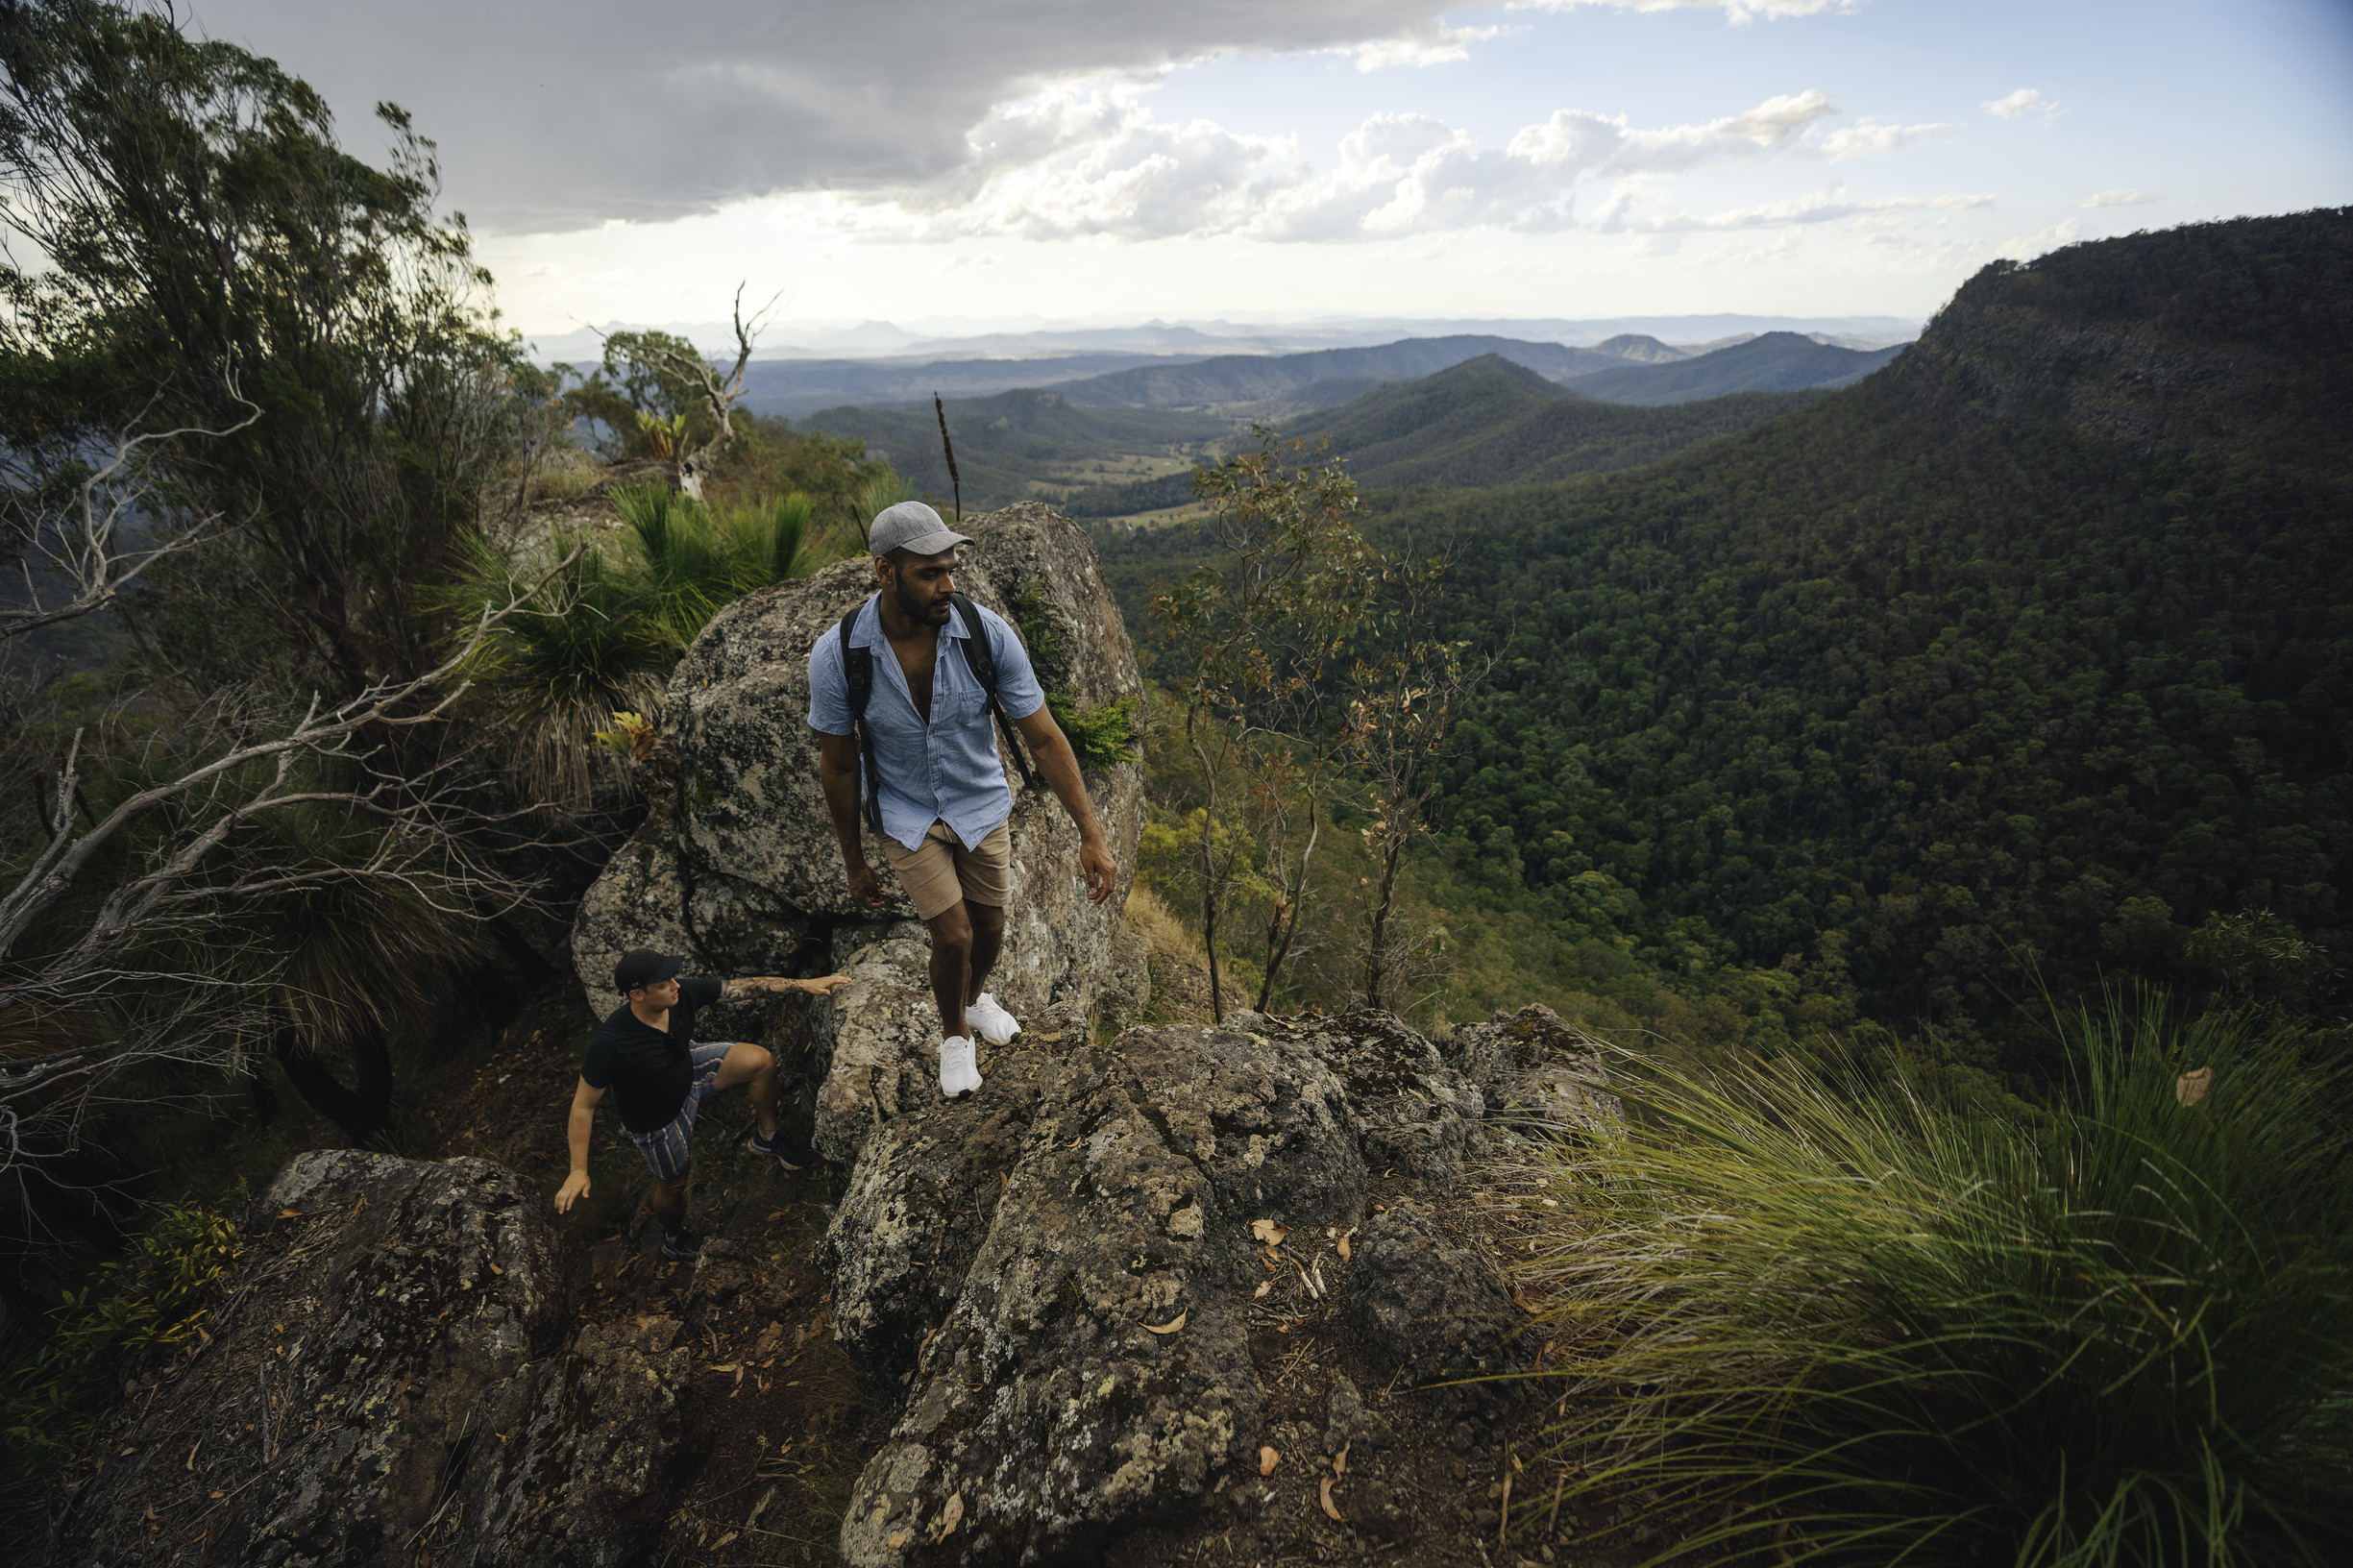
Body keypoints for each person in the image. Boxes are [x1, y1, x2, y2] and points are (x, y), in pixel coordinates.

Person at [808, 501, 1115, 1099]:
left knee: (990, 927)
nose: (947, 584)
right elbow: (839, 763)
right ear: (885, 571)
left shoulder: (984, 634)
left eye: (951, 569)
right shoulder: (839, 654)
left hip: (979, 802)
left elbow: (1046, 738)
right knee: (953, 937)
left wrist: (1091, 832)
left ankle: (974, 1000)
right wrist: (854, 860)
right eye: (930, 573)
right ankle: (954, 1040)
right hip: (906, 812)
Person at [552, 947, 850, 1262]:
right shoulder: (610, 1043)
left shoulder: (680, 994)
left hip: (688, 1066)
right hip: (658, 1119)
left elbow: (740, 987)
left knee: (761, 1062)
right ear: (637, 994)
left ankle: (767, 1137)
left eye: (672, 978)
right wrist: (578, 1170)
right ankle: (673, 1239)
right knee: (674, 1183)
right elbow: (583, 1107)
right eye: (664, 984)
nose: (675, 986)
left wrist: (804, 984)